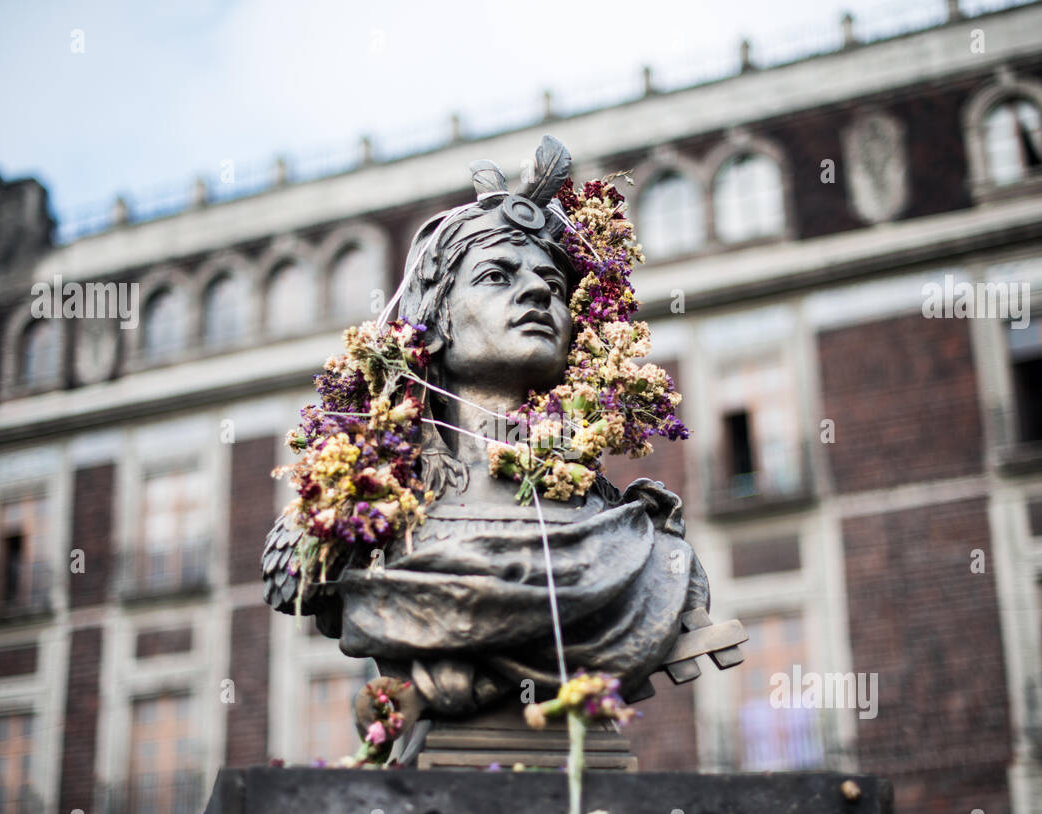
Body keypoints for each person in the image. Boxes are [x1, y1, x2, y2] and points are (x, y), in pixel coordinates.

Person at [263, 137, 711, 716]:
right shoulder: (358, 514)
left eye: (554, 288)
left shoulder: (639, 537)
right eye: (497, 275)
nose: (536, 292)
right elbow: (298, 580)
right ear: (436, 319)